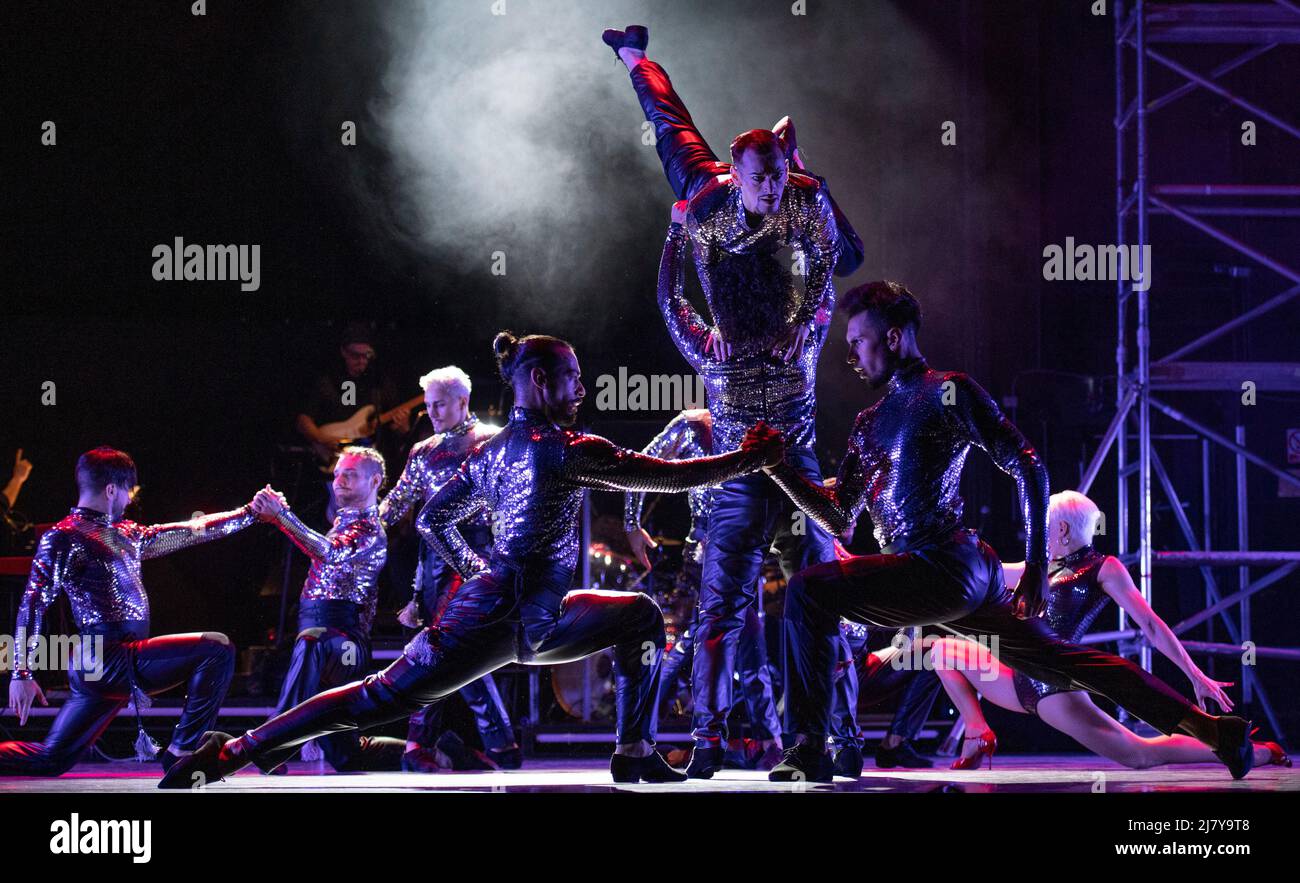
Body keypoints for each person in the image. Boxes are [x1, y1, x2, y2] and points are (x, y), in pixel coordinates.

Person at [159, 331, 785, 788]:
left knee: (640, 617)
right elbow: (668, 478)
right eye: (572, 376)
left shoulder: (490, 453)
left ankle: (632, 750)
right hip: (496, 619)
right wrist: (746, 460)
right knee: (376, 699)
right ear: (540, 381)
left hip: (532, 619)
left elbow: (434, 519)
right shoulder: (564, 447)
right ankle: (230, 751)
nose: (582, 388)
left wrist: (477, 567)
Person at [762, 281, 1257, 782]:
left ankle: (807, 749)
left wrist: (1038, 566)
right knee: (1070, 661)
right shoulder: (868, 423)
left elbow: (1027, 464)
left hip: (946, 566)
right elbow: (838, 516)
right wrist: (777, 467)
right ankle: (1218, 732)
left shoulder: (946, 390)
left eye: (857, 343)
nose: (851, 357)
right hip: (950, 579)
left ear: (892, 339)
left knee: (808, 590)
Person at [656, 201, 839, 777]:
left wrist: (676, 233)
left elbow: (669, 299)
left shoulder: (712, 348)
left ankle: (708, 742)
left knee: (719, 616)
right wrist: (808, 210)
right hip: (795, 478)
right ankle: (827, 741)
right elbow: (825, 274)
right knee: (817, 608)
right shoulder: (801, 341)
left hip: (738, 484)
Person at [930, 490, 1290, 771]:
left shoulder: (1105, 568)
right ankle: (978, 733)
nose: (1036, 535)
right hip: (1012, 679)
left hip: (1053, 689)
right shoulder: (1038, 568)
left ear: (1062, 529)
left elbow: (1150, 623)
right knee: (943, 650)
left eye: (1042, 527)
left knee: (1140, 754)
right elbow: (984, 572)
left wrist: (1194, 674)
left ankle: (1255, 752)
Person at [1, 447, 254, 776]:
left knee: (50, 759)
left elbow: (194, 531)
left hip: (105, 665)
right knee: (216, 649)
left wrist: (250, 512)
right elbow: (33, 602)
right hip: (106, 658)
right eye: (128, 492)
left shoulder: (128, 535)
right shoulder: (64, 537)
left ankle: (180, 753)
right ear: (111, 490)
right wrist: (21, 672)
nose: (129, 500)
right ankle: (181, 753)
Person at [602, 23, 864, 281]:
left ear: (785, 172)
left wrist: (811, 183)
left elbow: (849, 260)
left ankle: (633, 54)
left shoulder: (800, 194)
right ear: (737, 177)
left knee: (841, 259)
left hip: (757, 207)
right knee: (668, 122)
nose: (770, 188)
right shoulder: (707, 199)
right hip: (706, 185)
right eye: (759, 179)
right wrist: (677, 231)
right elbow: (696, 283)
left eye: (777, 176)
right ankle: (634, 55)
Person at [379, 365, 521, 772]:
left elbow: (512, 505)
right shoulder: (423, 451)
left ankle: (418, 746)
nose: (432, 414)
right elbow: (396, 504)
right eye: (427, 406)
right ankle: (498, 743)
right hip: (432, 564)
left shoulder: (494, 440)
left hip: (477, 557)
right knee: (456, 655)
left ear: (463, 401)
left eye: (438, 405)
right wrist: (360, 517)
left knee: (443, 649)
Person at [625, 409, 783, 769]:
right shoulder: (694, 425)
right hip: (708, 549)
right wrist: (632, 524)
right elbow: (637, 468)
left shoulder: (752, 423)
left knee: (709, 639)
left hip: (740, 546)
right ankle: (763, 741)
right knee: (730, 636)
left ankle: (643, 735)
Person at [255, 448, 406, 773]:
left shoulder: (370, 531)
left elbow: (328, 553)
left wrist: (282, 516)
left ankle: (272, 742)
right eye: (337, 473)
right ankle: (423, 753)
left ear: (375, 481)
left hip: (347, 645)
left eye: (350, 474)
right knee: (346, 754)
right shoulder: (340, 524)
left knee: (312, 641)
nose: (339, 480)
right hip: (324, 638)